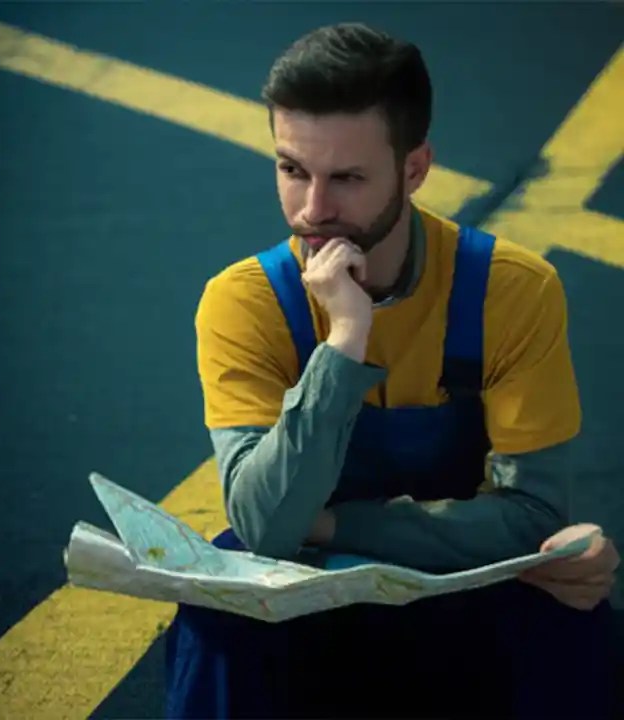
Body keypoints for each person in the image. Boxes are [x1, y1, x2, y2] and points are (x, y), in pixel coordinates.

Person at [167, 22, 618, 719]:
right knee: (211, 618)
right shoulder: (243, 302)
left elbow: (532, 518)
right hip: (313, 581)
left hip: (456, 583)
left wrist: (329, 525)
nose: (312, 210)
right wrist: (346, 338)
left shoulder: (513, 290)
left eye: (346, 178)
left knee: (573, 608)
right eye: (292, 169)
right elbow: (265, 528)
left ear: (414, 169)